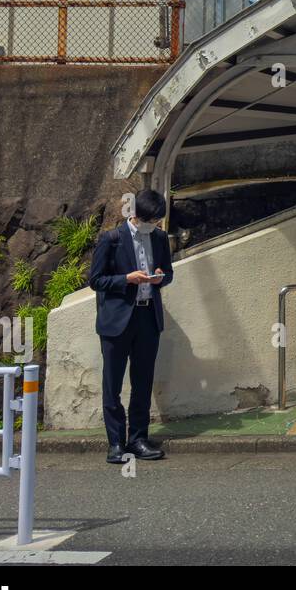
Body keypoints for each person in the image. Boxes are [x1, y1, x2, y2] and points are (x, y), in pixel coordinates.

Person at [89, 188, 174, 464]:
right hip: (116, 320)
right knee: (112, 383)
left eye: (159, 221)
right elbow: (96, 280)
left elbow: (169, 272)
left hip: (148, 317)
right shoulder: (112, 239)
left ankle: (138, 438)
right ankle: (115, 443)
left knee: (142, 381)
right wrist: (127, 278)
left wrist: (160, 277)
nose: (156, 225)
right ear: (136, 214)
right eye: (152, 220)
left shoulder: (160, 238)